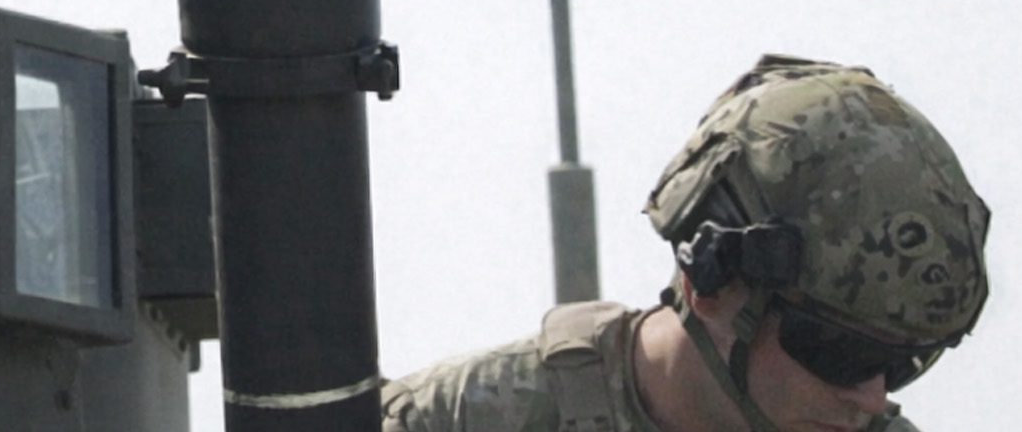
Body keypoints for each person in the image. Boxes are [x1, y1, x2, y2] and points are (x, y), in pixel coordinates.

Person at [380, 55, 991, 432]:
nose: (873, 398)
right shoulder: (455, 420)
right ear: (709, 285)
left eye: (906, 365)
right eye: (842, 354)